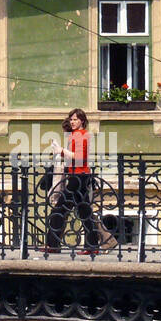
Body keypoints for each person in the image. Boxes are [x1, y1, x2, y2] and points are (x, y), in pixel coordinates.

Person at [43, 108, 115, 255]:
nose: (73, 121)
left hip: (78, 177)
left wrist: (60, 150)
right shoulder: (76, 135)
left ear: (82, 120)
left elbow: (80, 157)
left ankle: (53, 245)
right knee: (84, 213)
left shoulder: (81, 135)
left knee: (59, 210)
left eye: (75, 119)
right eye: (71, 119)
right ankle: (92, 246)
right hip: (79, 176)